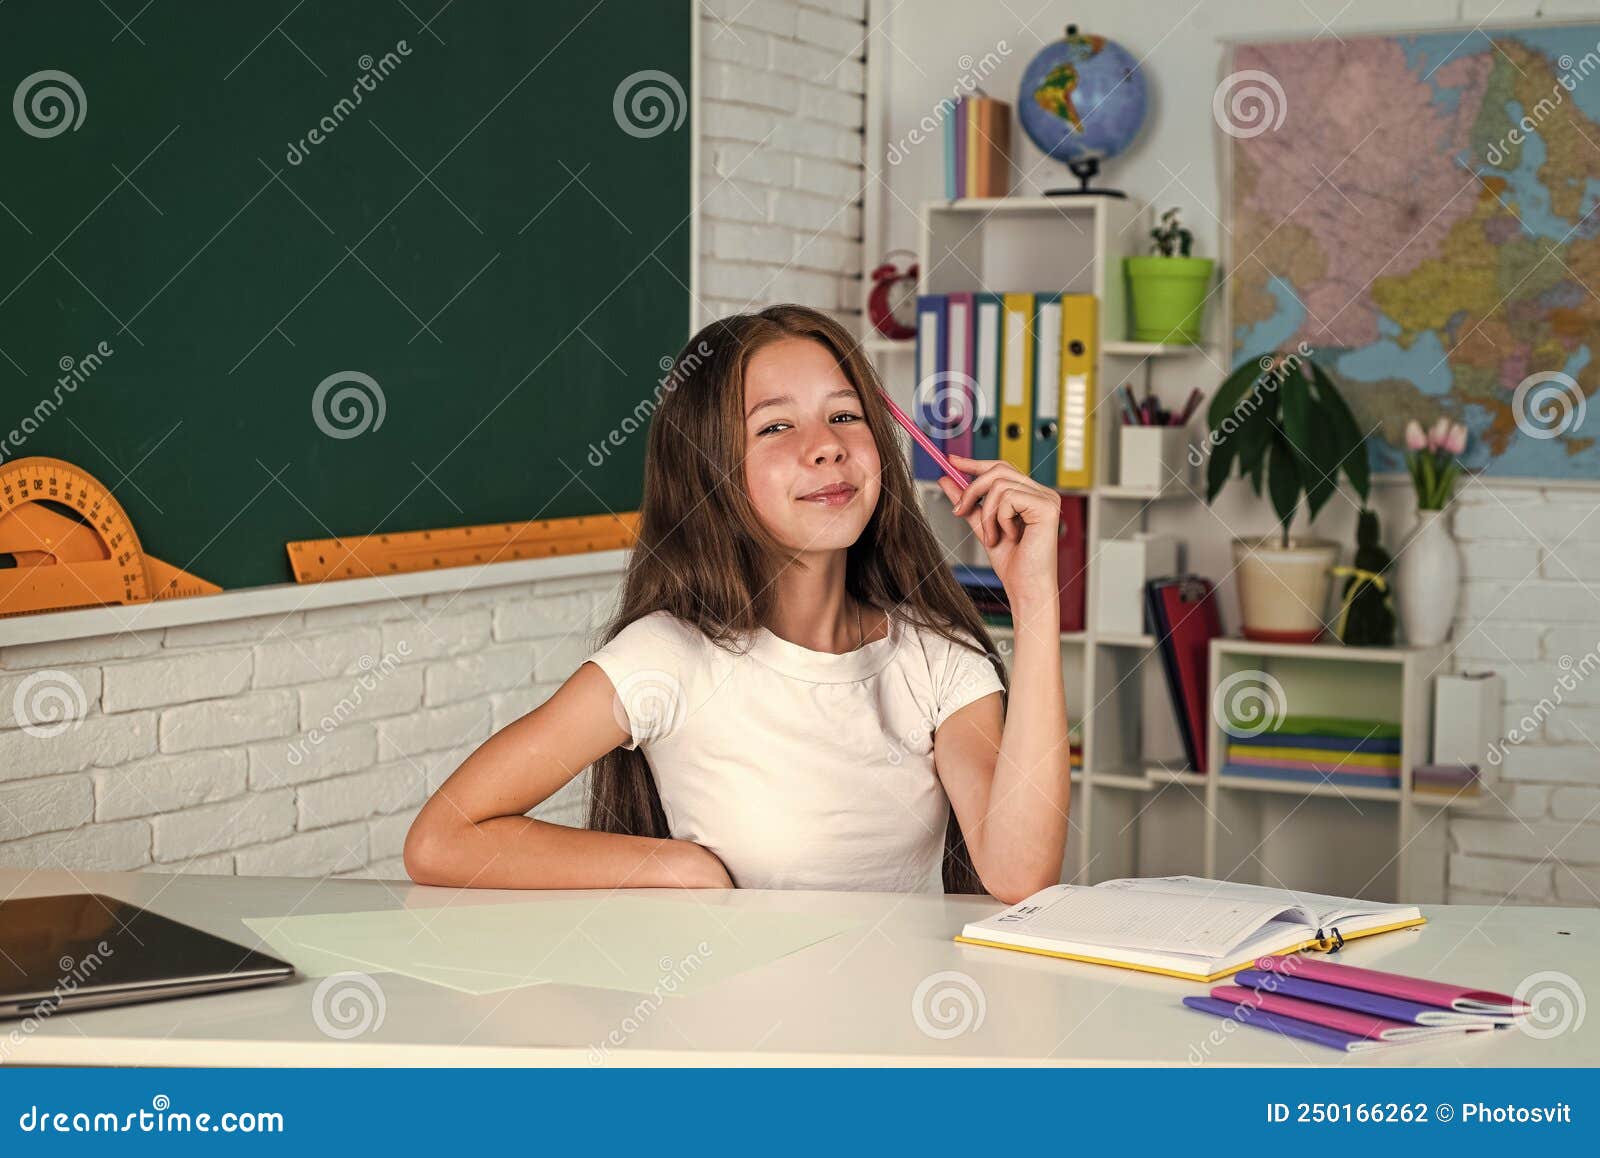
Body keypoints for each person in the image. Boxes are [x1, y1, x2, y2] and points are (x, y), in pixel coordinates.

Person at [403, 304, 1071, 902]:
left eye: (845, 415)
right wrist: (678, 869)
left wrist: (1035, 598)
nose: (827, 446)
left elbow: (1019, 874)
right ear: (712, 470)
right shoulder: (667, 657)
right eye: (775, 426)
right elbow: (442, 839)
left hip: (900, 1006)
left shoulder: (939, 659)